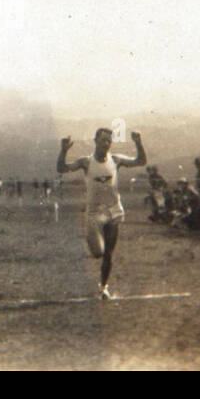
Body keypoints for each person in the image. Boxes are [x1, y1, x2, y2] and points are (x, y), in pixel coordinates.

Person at [57, 127, 146, 299]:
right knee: (98, 252)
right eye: (103, 140)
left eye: (109, 141)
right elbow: (62, 168)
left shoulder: (116, 160)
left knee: (108, 254)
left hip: (113, 210)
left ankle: (104, 287)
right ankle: (92, 238)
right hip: (94, 212)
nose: (106, 143)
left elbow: (140, 161)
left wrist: (138, 143)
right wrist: (63, 151)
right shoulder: (86, 162)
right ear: (95, 141)